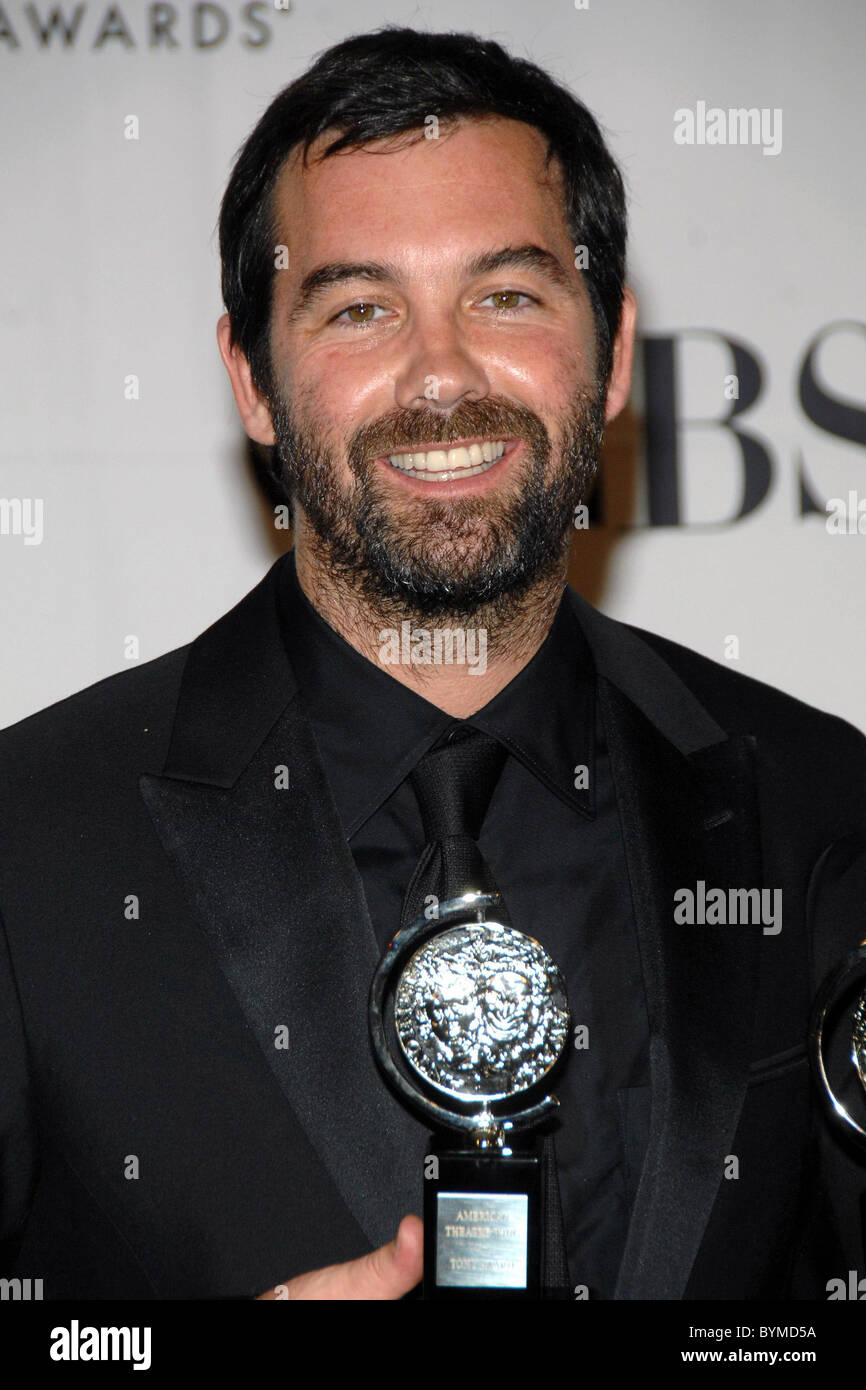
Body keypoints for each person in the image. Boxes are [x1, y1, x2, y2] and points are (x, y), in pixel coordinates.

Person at [1, 25, 865, 1303]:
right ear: (249, 379)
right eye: (359, 308)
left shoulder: (817, 798)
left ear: (614, 352)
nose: (440, 374)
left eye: (505, 294)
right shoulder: (32, 838)